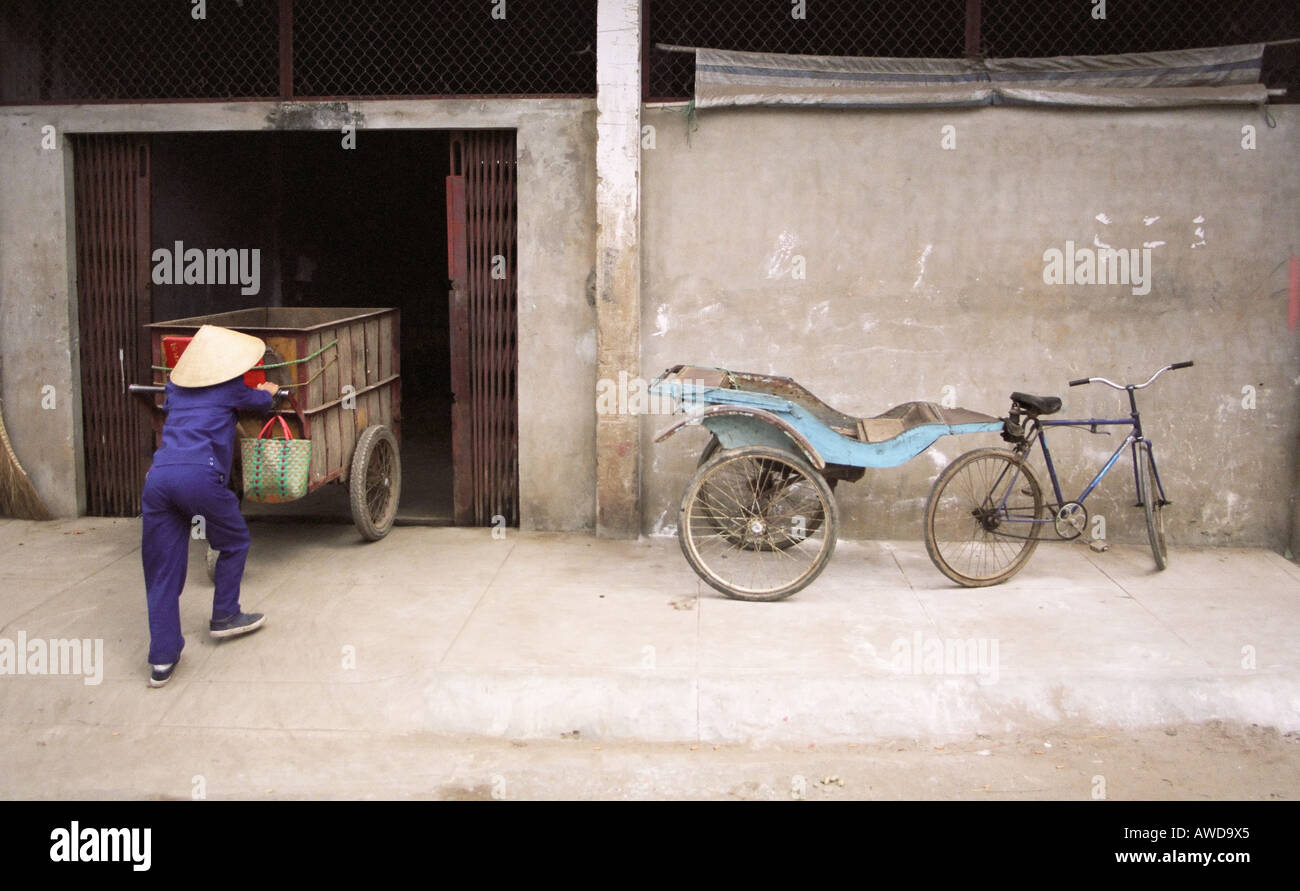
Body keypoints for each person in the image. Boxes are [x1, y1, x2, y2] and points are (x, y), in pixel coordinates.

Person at [142, 325, 280, 687]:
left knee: (162, 572)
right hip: (198, 478)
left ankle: (161, 660)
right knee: (234, 542)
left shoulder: (174, 388)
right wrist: (268, 391)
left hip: (158, 479)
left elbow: (176, 405)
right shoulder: (231, 388)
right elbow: (262, 401)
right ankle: (224, 615)